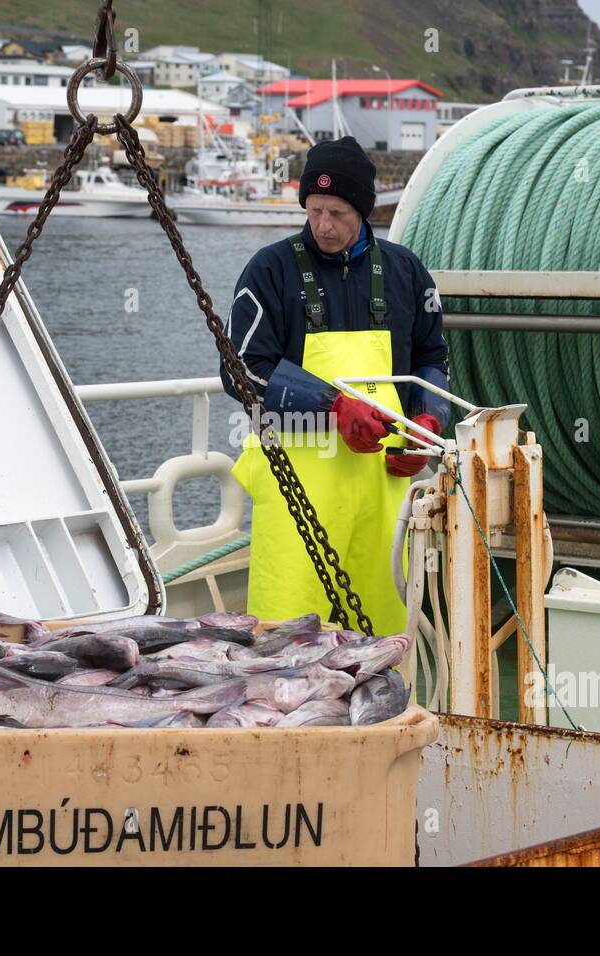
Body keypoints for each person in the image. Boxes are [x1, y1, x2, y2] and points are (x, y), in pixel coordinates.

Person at [219, 135, 449, 634]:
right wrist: (333, 407)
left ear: (364, 212)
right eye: (315, 209)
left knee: (383, 632)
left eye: (339, 212)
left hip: (381, 492)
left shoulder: (406, 271)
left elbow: (433, 356)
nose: (324, 225)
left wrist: (426, 424)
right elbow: (241, 367)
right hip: (296, 486)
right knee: (286, 636)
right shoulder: (269, 271)